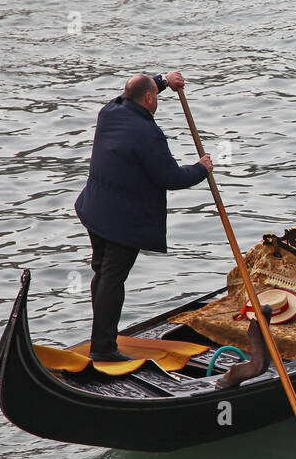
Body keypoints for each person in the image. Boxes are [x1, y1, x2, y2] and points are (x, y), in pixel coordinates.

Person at [75, 72, 213, 362]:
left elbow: (134, 89)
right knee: (112, 278)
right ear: (150, 99)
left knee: (103, 273)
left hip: (95, 209)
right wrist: (201, 168)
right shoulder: (147, 133)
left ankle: (101, 339)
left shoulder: (109, 111)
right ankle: (102, 348)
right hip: (121, 222)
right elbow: (170, 177)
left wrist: (163, 80)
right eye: (155, 93)